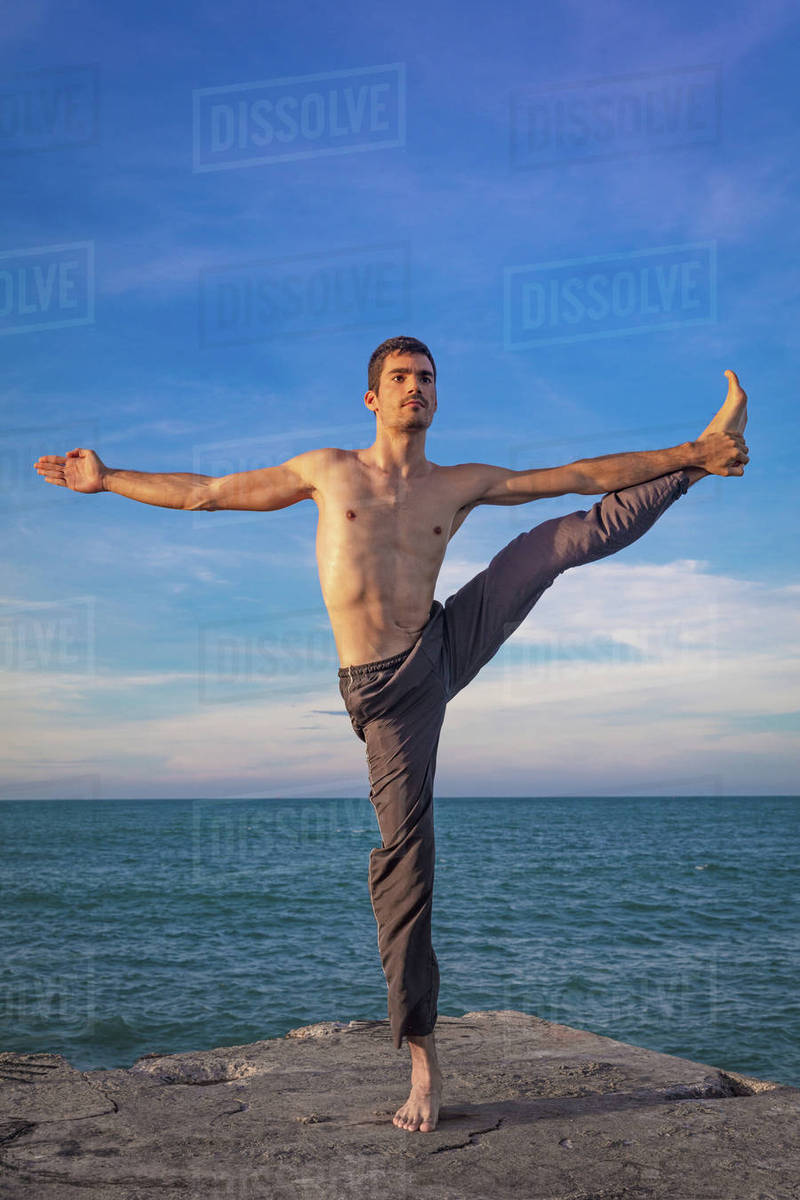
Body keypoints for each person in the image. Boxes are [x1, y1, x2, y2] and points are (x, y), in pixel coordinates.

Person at [34, 336, 749, 1133]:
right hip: (385, 694)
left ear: (437, 399)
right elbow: (205, 491)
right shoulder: (326, 470)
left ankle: (705, 463)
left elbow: (581, 478)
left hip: (444, 642)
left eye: (428, 379)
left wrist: (689, 450)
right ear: (373, 398)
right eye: (401, 378)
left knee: (545, 548)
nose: (417, 388)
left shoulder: (458, 483)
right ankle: (421, 1051)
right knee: (406, 856)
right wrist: (107, 478)